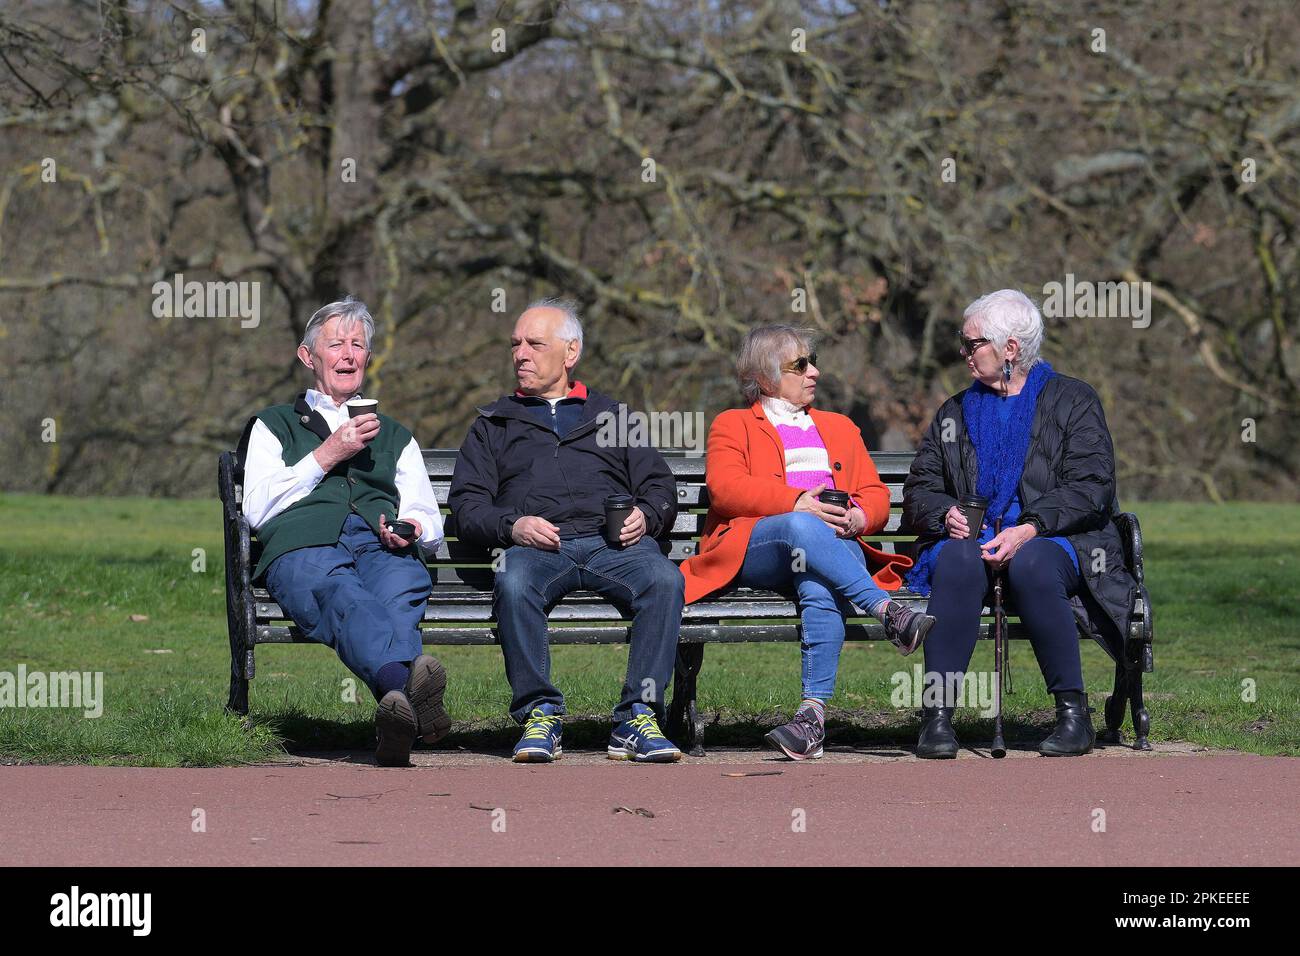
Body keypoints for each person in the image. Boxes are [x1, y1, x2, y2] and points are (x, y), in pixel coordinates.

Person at [679, 325, 932, 760]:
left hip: (835, 546)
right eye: (800, 365)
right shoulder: (733, 424)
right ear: (765, 375)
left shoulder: (839, 426)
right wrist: (798, 502)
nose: (813, 372)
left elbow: (874, 496)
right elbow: (726, 489)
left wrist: (856, 517)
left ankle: (810, 717)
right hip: (759, 545)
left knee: (819, 586)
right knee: (801, 527)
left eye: (812, 361)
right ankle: (886, 611)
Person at [448, 297, 684, 763]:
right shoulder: (491, 424)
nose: (521, 354)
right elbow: (466, 505)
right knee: (513, 582)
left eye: (535, 344)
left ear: (570, 353)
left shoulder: (615, 417)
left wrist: (647, 515)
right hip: (537, 548)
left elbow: (660, 486)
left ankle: (637, 718)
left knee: (665, 579)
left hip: (613, 545)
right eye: (515, 344)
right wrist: (513, 525)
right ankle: (540, 714)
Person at [903, 289, 1137, 758]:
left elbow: (1092, 487)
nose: (964, 353)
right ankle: (937, 718)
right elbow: (920, 488)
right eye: (963, 342)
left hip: (1057, 539)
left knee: (1032, 564)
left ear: (1010, 348)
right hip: (975, 541)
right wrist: (945, 511)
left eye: (973, 344)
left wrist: (1029, 527)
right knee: (956, 559)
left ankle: (1073, 715)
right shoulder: (954, 412)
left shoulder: (1072, 400)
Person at [240, 296, 449, 767]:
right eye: (336, 344)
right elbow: (255, 508)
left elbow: (426, 514)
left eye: (358, 345)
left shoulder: (396, 434)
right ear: (307, 356)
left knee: (402, 587)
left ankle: (397, 714)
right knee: (341, 592)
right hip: (303, 546)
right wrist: (328, 453)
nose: (349, 354)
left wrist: (410, 528)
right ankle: (405, 691)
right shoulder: (272, 426)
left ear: (368, 360)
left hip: (380, 546)